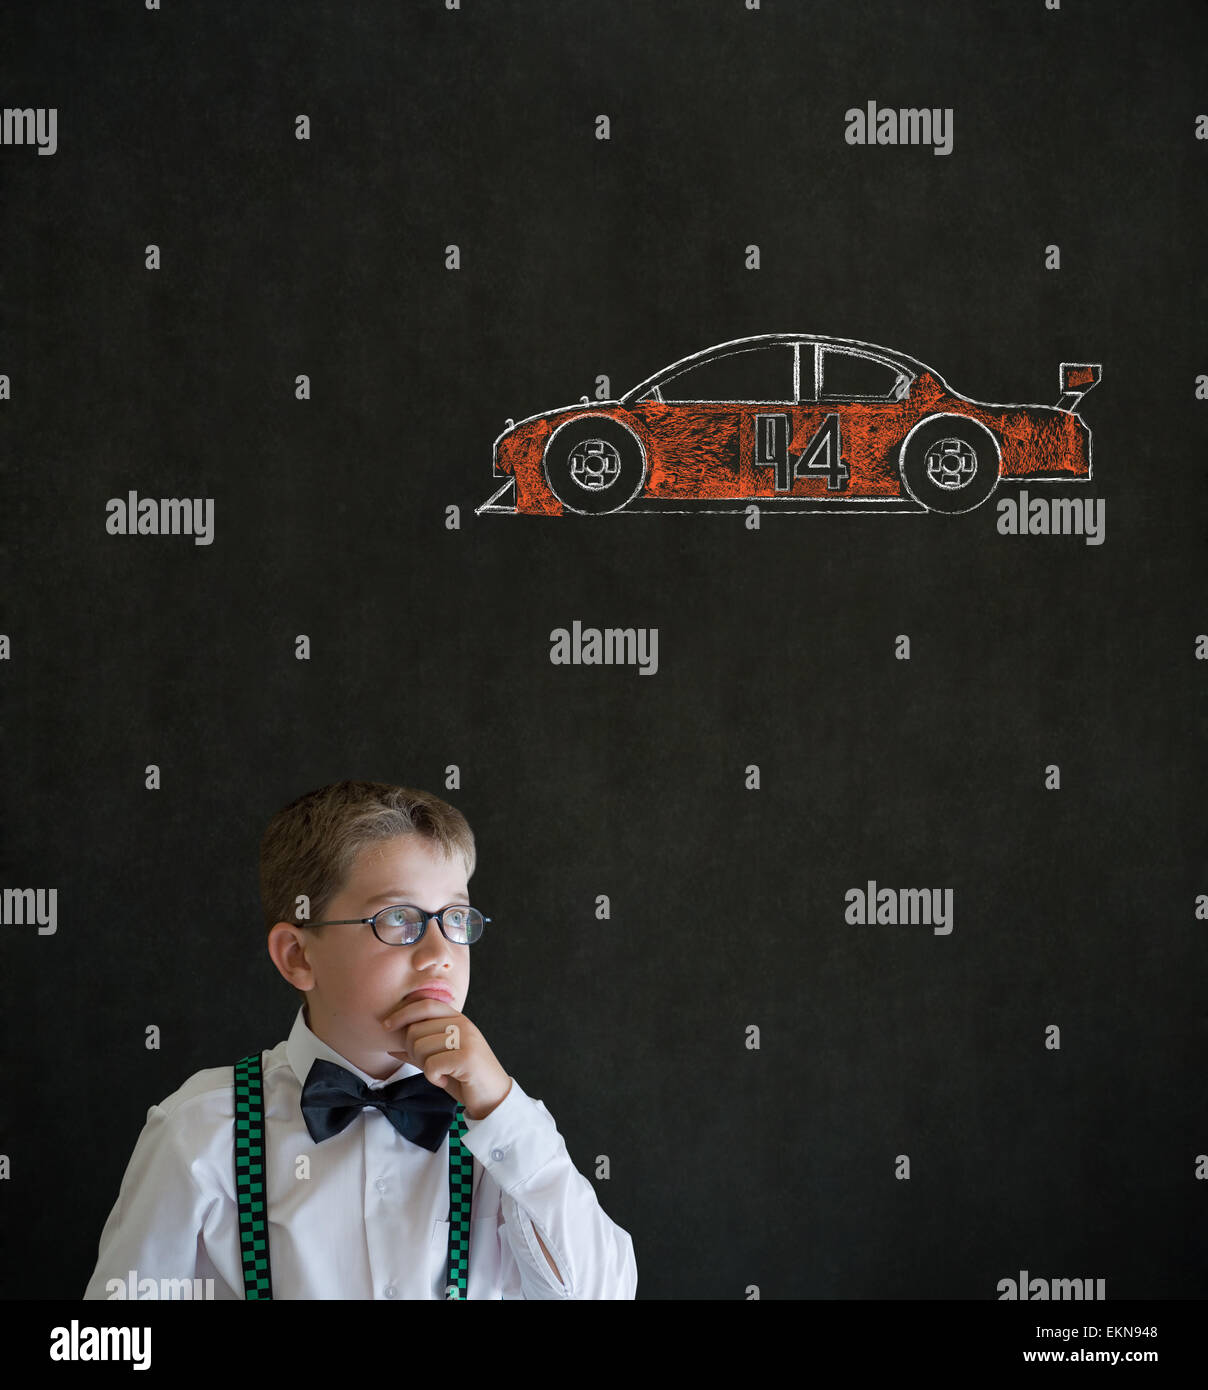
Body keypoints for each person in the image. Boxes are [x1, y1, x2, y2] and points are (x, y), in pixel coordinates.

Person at [84, 780, 637, 1300]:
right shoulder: (202, 1129)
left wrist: (501, 1111)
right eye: (398, 918)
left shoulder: (505, 1132)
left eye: (456, 917)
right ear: (298, 956)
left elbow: (603, 1292)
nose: (440, 952)